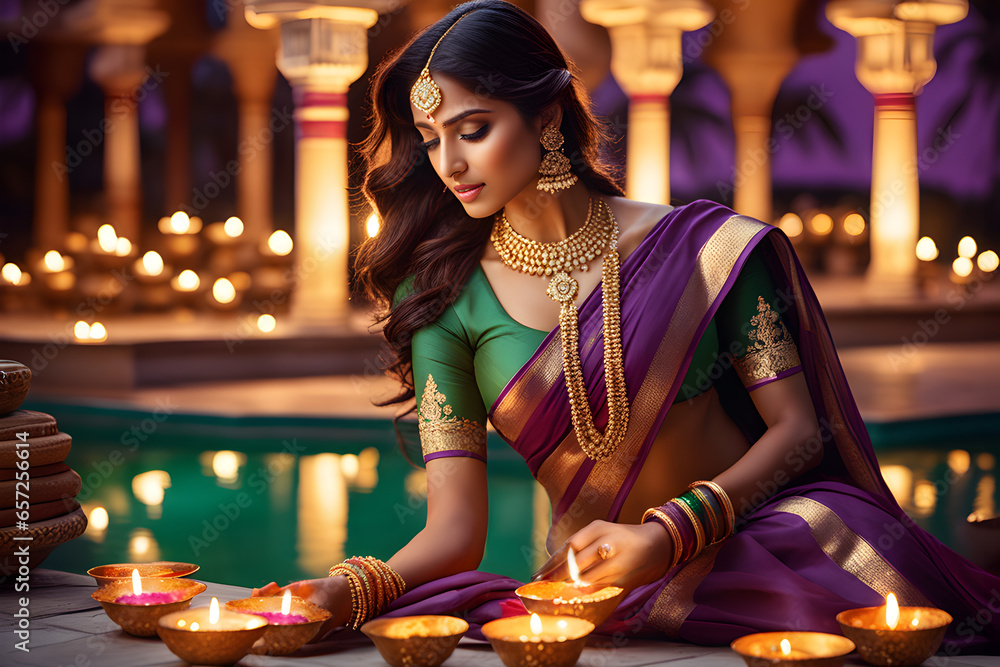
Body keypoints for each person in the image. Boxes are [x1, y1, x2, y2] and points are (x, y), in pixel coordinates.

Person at [253, 0, 1000, 652]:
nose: (449, 162)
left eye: (472, 129)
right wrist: (348, 588)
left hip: (766, 547)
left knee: (835, 567)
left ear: (547, 115)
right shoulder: (446, 302)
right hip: (600, 587)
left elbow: (798, 431)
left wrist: (668, 534)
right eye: (430, 138)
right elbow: (456, 532)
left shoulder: (705, 250)